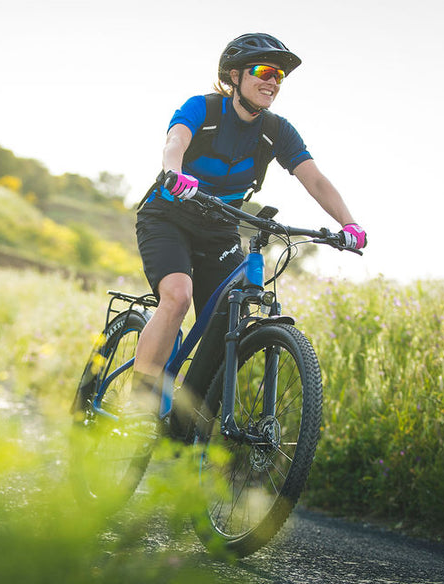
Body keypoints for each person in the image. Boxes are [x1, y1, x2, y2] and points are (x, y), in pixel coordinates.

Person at [132, 32, 367, 417]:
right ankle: (137, 408)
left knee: (229, 319)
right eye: (263, 71)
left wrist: (349, 224)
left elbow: (315, 180)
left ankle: (187, 417)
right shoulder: (203, 109)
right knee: (177, 296)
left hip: (220, 229)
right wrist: (174, 172)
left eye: (279, 76)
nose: (272, 81)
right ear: (234, 76)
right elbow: (175, 142)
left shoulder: (276, 131)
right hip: (169, 217)